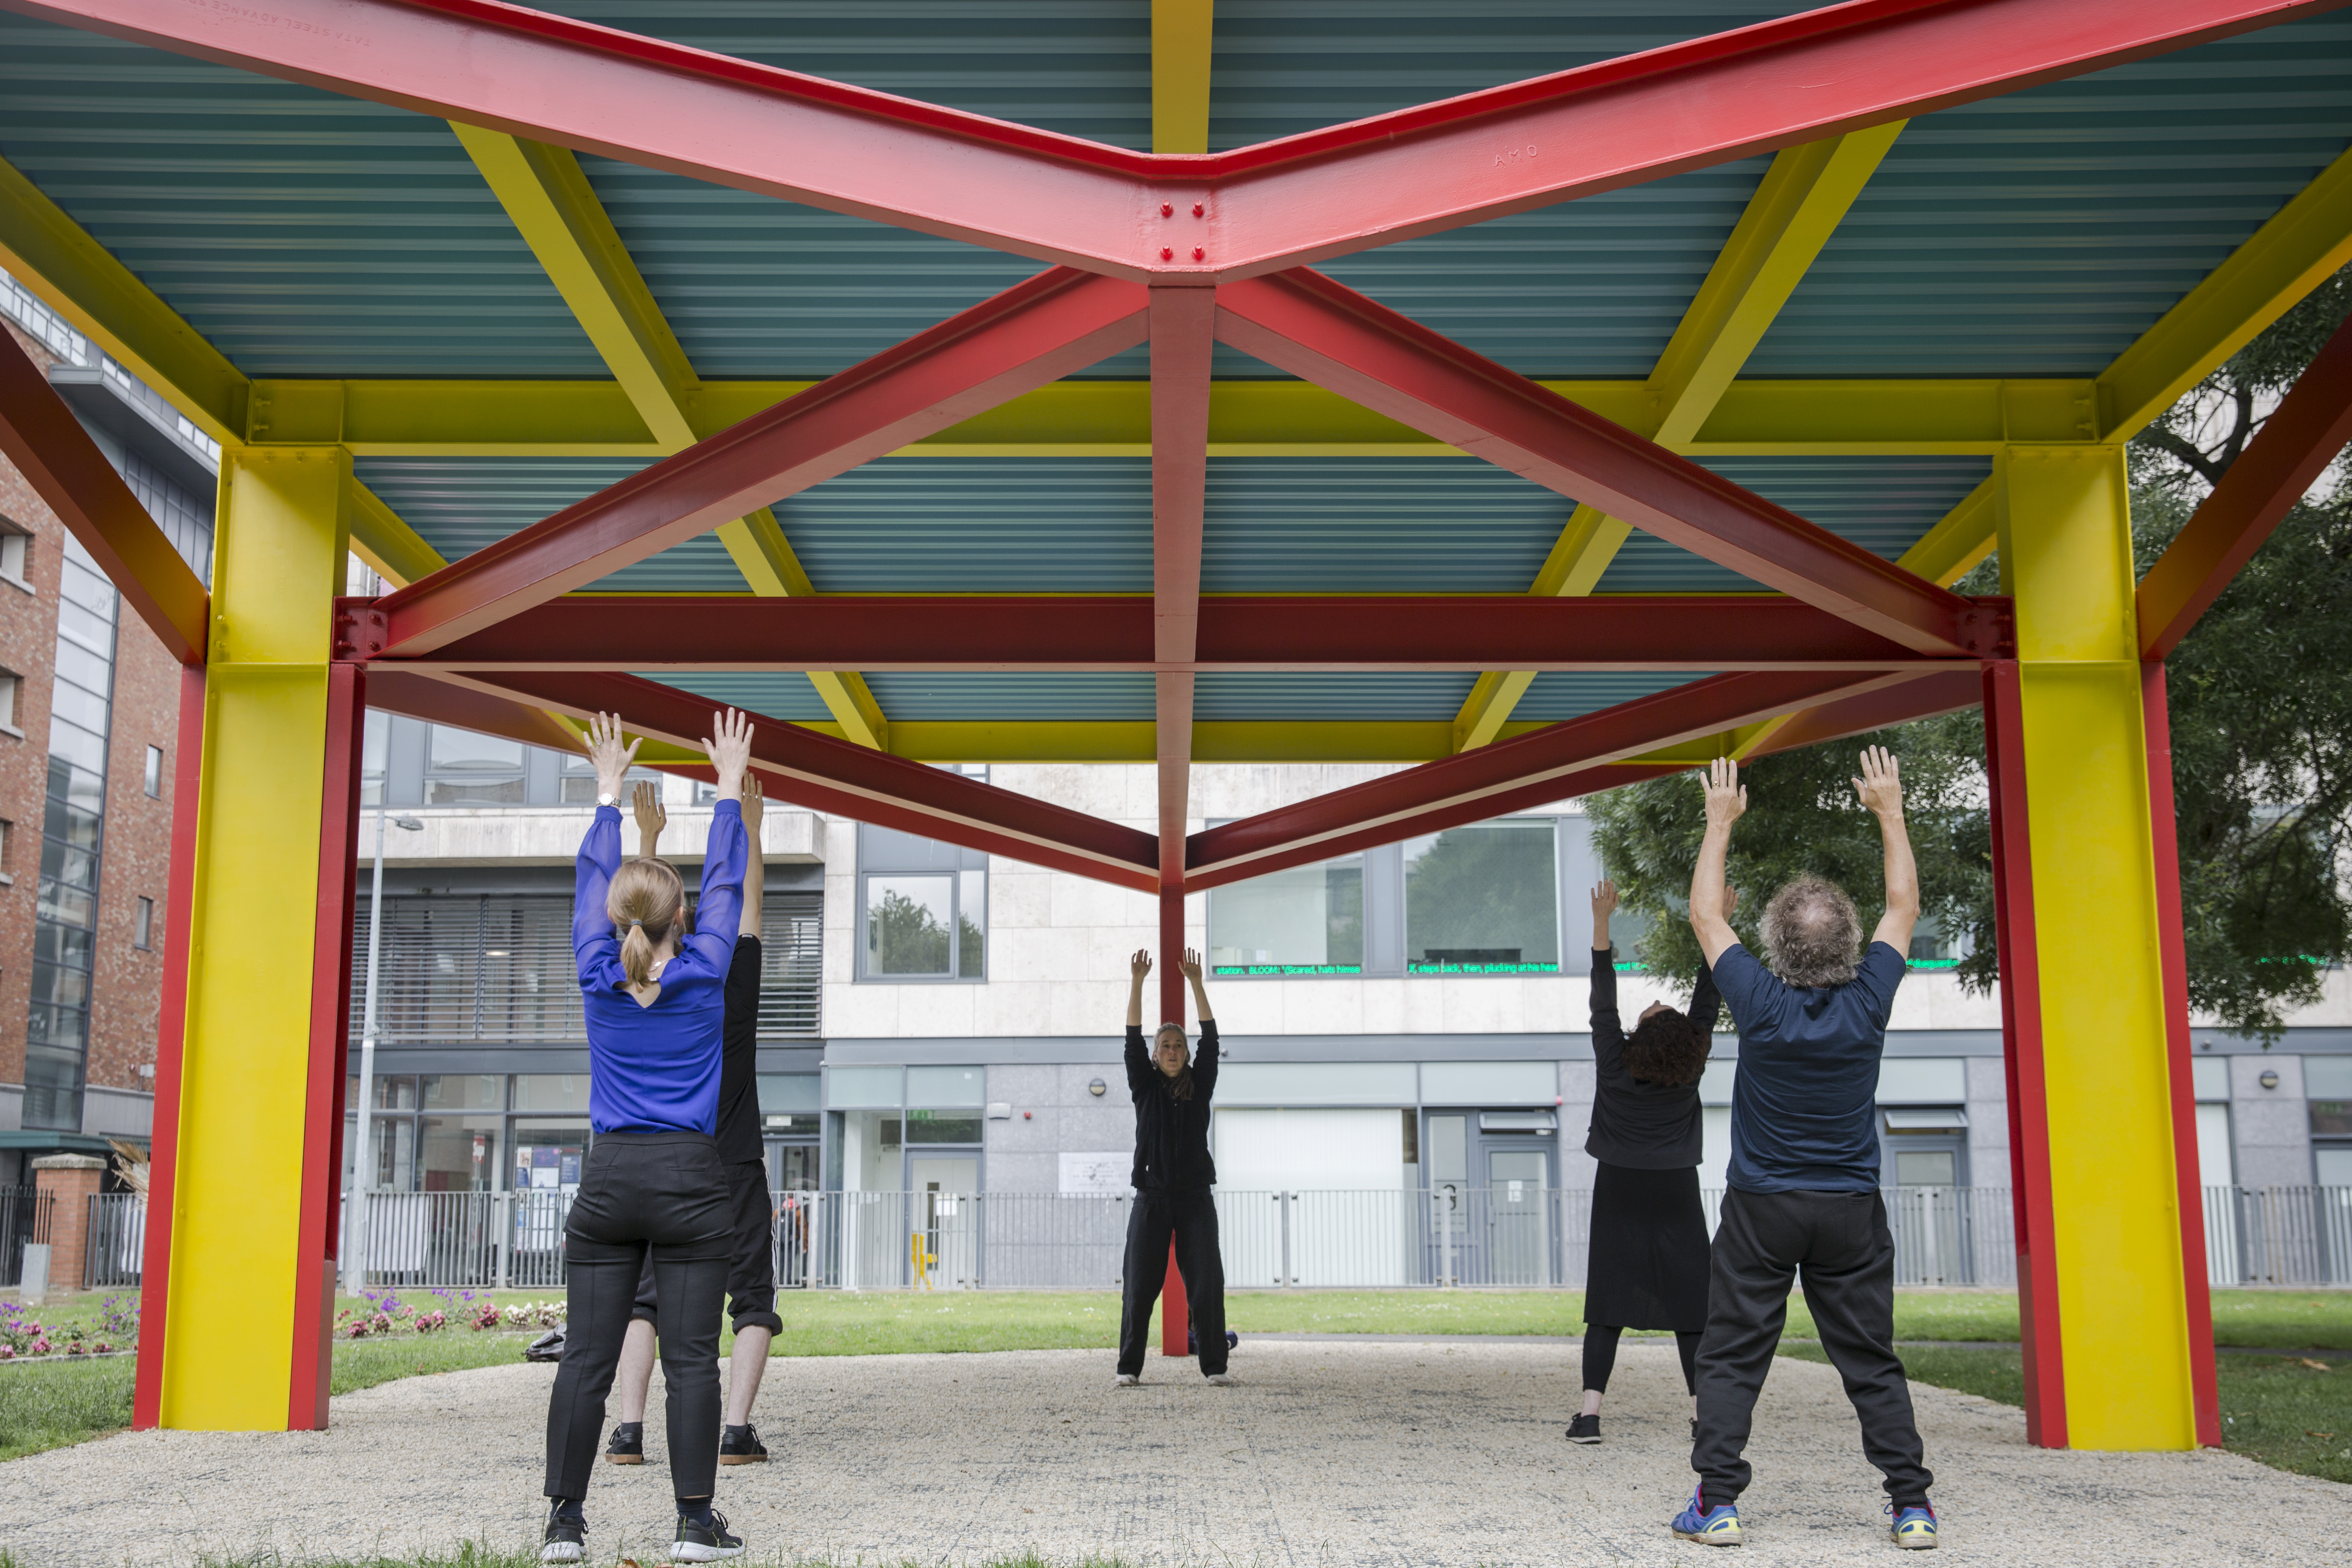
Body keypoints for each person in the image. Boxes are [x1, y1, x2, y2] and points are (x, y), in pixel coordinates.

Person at [1670, 748, 1937, 1551]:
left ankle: (1717, 1503)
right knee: (1870, 1360)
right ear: (1849, 941)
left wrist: (1719, 822)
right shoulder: (1870, 998)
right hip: (1849, 1210)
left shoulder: (1757, 1000)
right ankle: (1911, 1506)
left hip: (1762, 1208)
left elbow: (1705, 916)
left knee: (1730, 1356)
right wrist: (1889, 811)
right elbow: (1903, 904)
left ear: (1775, 945)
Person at [541, 709, 755, 1566]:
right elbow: (729, 884)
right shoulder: (705, 971)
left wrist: (606, 794)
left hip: (611, 1178)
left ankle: (563, 1525)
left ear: (616, 917)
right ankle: (694, 1524)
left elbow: (590, 885)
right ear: (683, 918)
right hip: (691, 1180)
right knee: (692, 1360)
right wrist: (727, 787)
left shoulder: (596, 972)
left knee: (586, 1360)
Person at [603, 777, 782, 1470]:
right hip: (732, 1163)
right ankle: (734, 1431)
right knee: (752, 1296)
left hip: (663, 1161)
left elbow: (638, 913)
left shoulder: (631, 985)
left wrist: (647, 839)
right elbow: (749, 903)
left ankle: (628, 1429)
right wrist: (751, 832)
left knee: (645, 1297)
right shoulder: (728, 982)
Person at [1569, 877, 1723, 1445]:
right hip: (1676, 1189)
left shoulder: (1614, 1061)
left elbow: (1602, 998)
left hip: (1618, 1187)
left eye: (1657, 1007)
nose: (1657, 1001)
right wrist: (1714, 927)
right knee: (1691, 1303)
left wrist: (1602, 924)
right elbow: (1708, 996)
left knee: (1607, 1300)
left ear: (1645, 1030)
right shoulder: (1690, 1065)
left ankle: (1589, 1415)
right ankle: (1703, 1415)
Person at [1114, 949, 1231, 1386]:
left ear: (1186, 1053)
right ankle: (1129, 1367)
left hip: (1196, 1200)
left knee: (1206, 1284)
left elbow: (1211, 1041)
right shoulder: (1144, 1086)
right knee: (1139, 1286)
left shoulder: (1200, 1085)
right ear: (1155, 1054)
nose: (1172, 1051)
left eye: (1179, 1045)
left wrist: (1197, 983)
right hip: (1151, 1199)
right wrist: (1137, 982)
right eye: (1165, 1045)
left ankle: (1215, 1367)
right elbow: (1131, 1038)